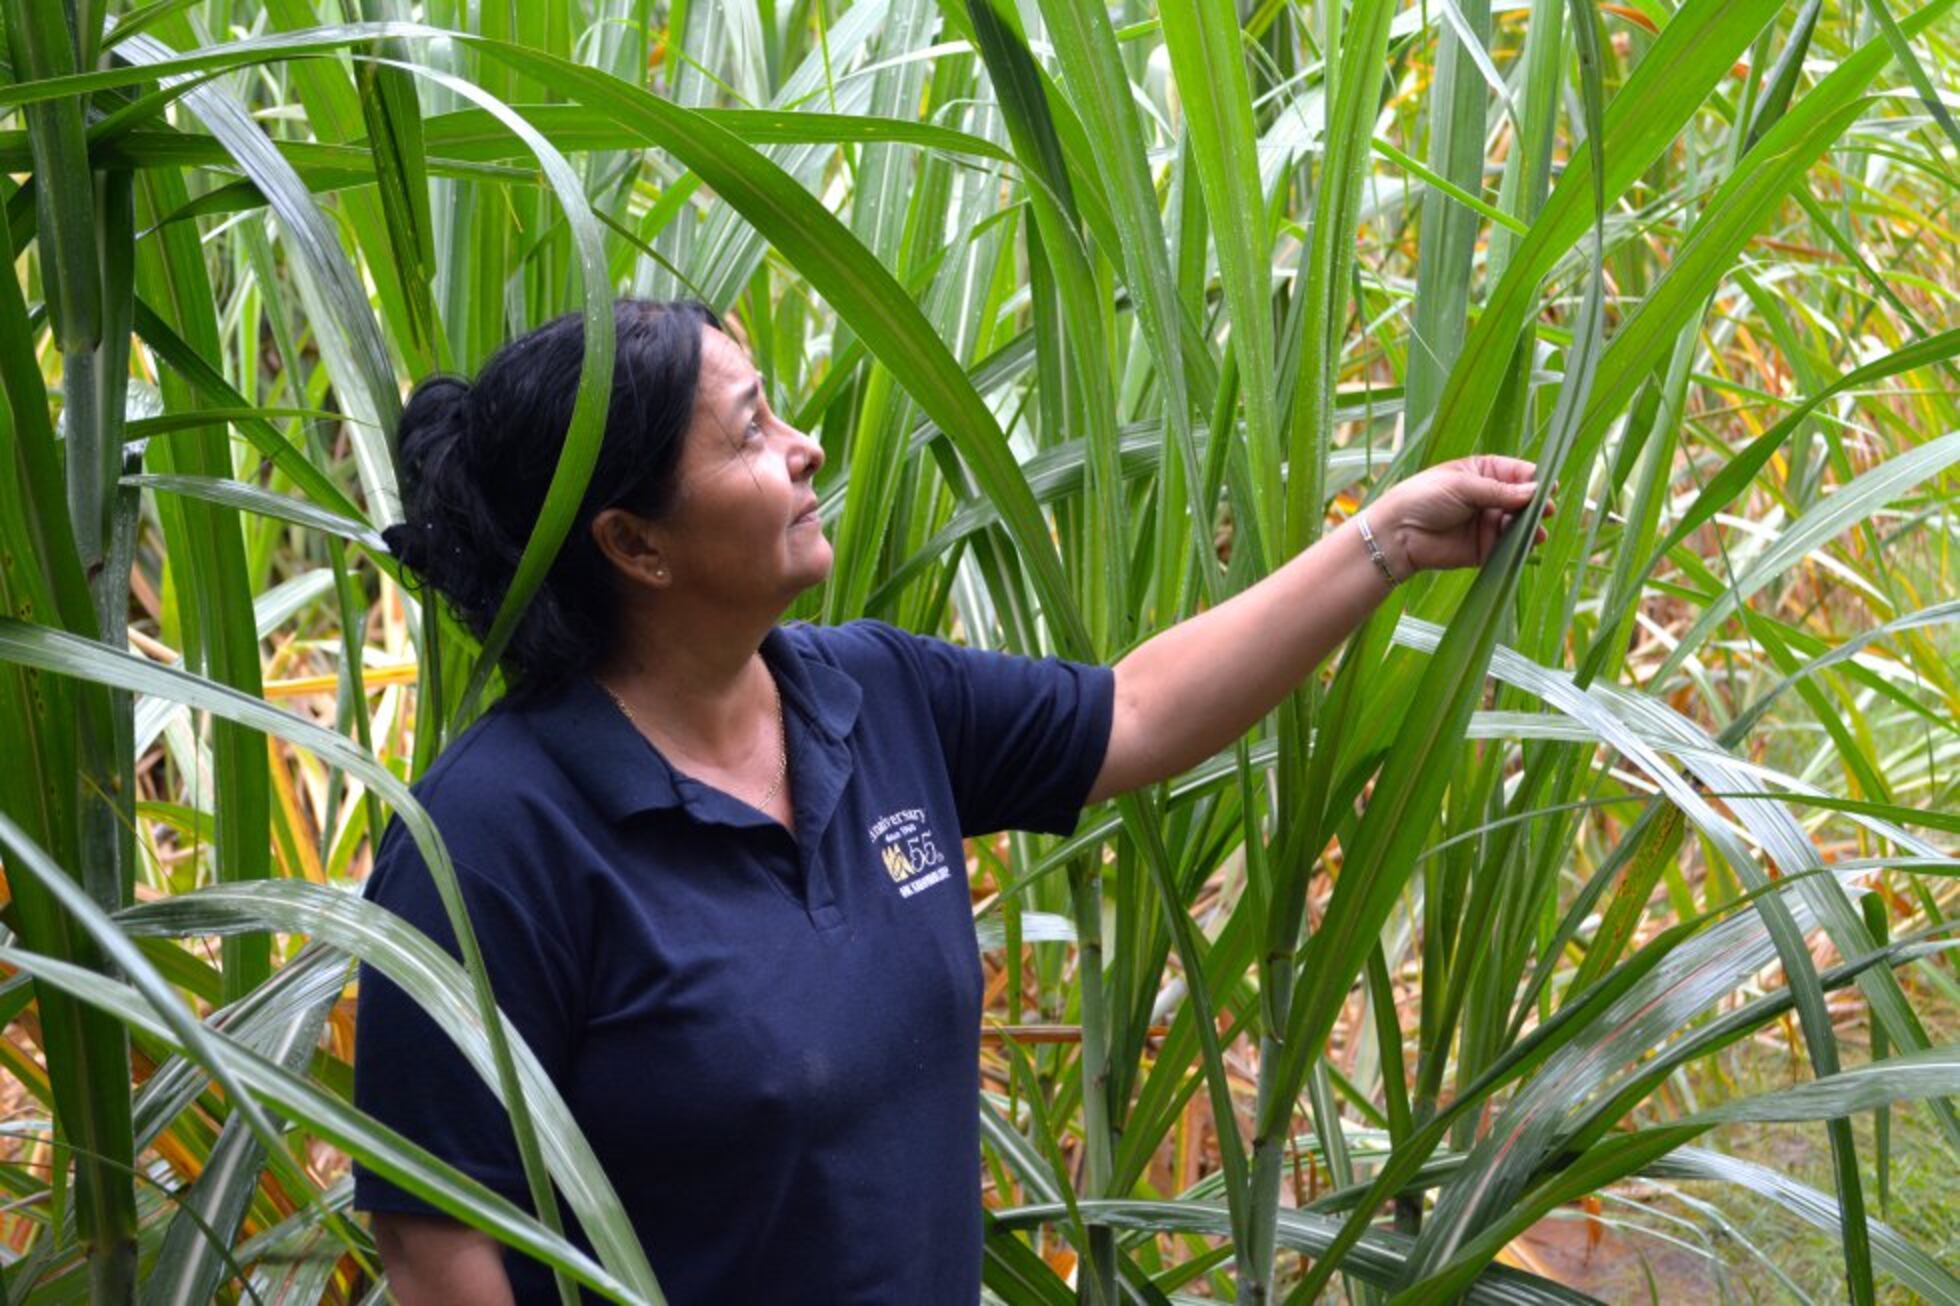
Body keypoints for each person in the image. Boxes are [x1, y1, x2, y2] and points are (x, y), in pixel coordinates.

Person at [356, 298, 1549, 1304]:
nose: (806, 445)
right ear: (636, 544)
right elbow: (435, 1235)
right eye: (751, 430)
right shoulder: (487, 840)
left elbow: (1133, 712)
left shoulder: (869, 692)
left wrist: (1385, 539)